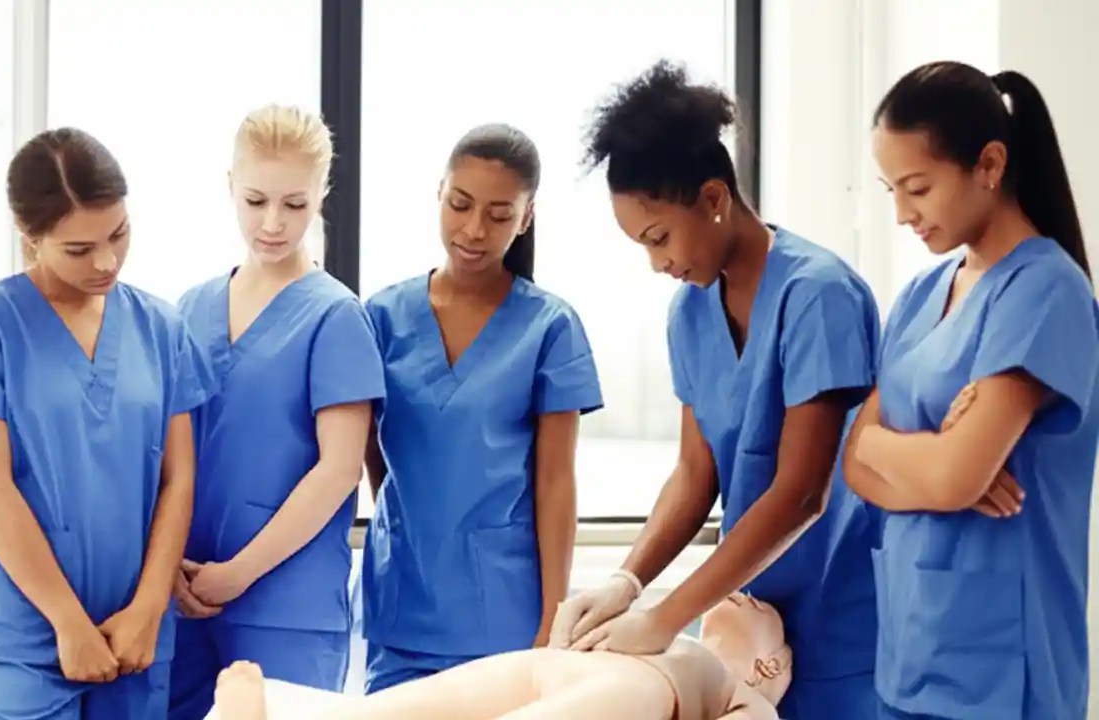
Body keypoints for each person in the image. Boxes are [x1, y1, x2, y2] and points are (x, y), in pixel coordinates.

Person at [551, 60, 882, 719]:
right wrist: (629, 580)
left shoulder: (817, 295)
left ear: (712, 198)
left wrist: (669, 615)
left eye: (659, 237)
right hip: (748, 618)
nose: (658, 263)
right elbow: (695, 474)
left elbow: (802, 493)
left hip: (846, 619)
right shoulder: (691, 312)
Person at [0, 127, 217, 719]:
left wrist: (148, 609)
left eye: (118, 234)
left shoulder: (161, 329)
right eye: (78, 249)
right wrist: (67, 622)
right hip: (26, 631)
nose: (106, 262)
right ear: (29, 238)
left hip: (135, 632)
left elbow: (179, 480)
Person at [845, 60, 1099, 720]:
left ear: (989, 164)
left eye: (918, 188)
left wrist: (897, 447)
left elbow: (952, 478)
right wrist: (925, 456)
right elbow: (853, 466)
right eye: (890, 190)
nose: (902, 213)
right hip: (910, 648)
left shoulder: (1046, 291)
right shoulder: (922, 294)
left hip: (1003, 671)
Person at [359, 123, 605, 693]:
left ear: (526, 217)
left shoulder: (550, 326)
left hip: (505, 609)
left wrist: (553, 616)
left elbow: (555, 481)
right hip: (404, 598)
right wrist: (405, 522)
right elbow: (366, 446)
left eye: (498, 215)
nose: (473, 230)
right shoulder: (383, 317)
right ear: (438, 194)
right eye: (460, 204)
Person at [167, 105, 385, 719]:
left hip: (286, 605)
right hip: (183, 596)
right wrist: (169, 571)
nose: (273, 222)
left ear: (322, 195)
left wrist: (236, 574)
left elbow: (339, 471)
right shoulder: (190, 308)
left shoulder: (335, 317)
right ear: (230, 186)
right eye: (257, 199)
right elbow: (167, 452)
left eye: (295, 204)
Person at [209, 593, 790, 720]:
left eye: (759, 604)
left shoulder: (748, 700)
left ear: (771, 666)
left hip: (639, 695)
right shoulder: (674, 629)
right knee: (386, 714)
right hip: (550, 666)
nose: (742, 591)